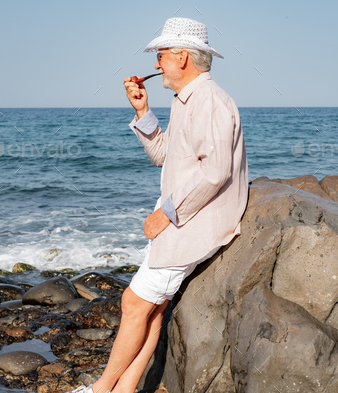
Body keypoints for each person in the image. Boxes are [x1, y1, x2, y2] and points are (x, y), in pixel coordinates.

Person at [71, 17, 248, 393]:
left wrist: (165, 215)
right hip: (186, 216)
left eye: (161, 55)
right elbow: (165, 155)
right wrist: (142, 111)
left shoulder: (209, 101)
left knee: (134, 303)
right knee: (153, 308)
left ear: (182, 57)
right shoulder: (188, 99)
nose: (156, 64)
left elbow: (214, 174)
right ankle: (126, 387)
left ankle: (102, 389)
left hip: (192, 222)